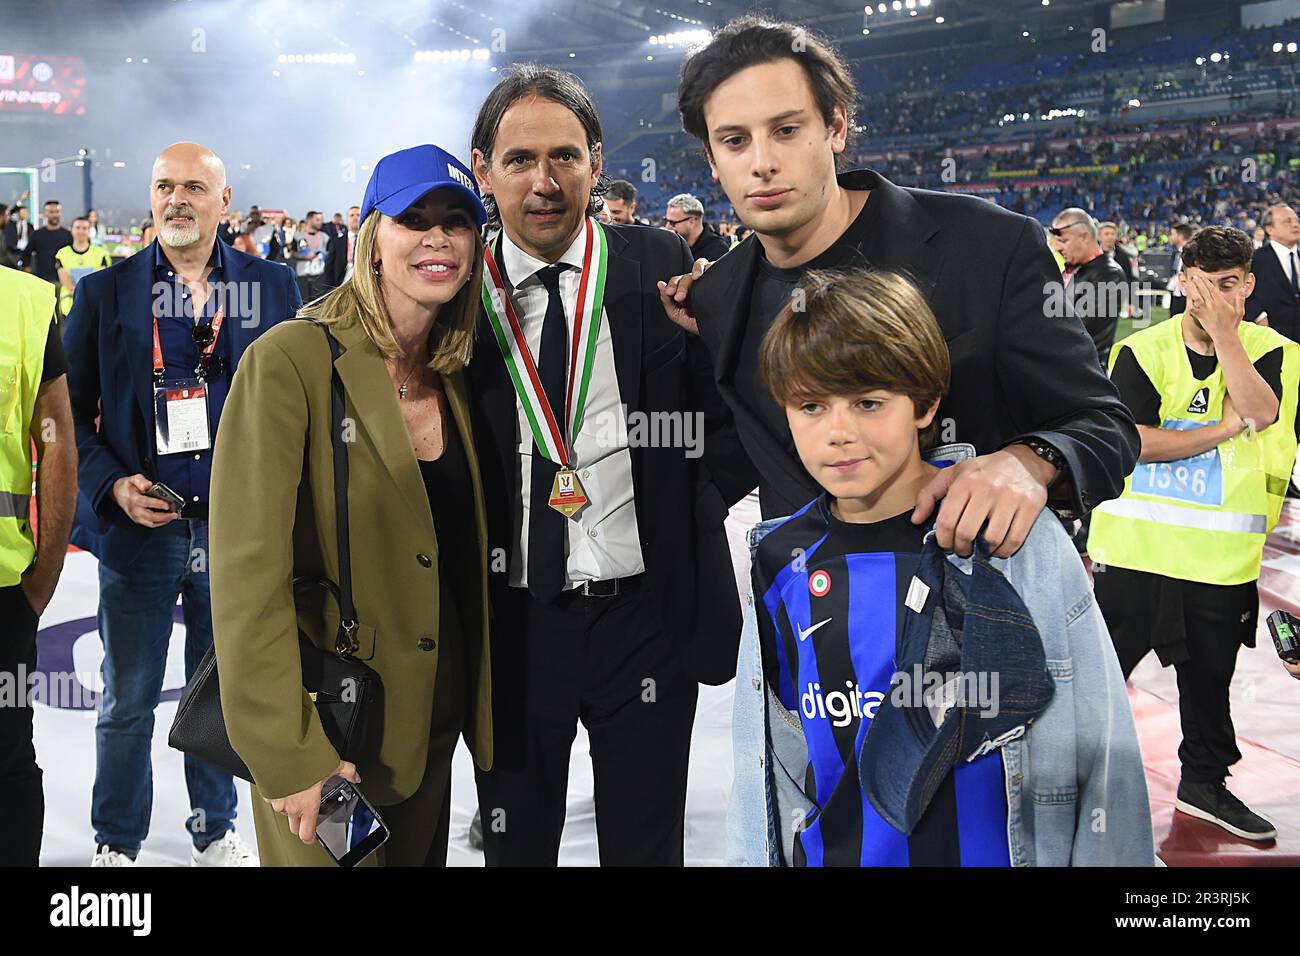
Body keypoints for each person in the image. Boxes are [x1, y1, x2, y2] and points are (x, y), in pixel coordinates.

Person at [662, 17, 1139, 559]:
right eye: (734, 140)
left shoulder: (987, 246)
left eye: (787, 130)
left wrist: (1029, 461)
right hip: (811, 622)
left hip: (972, 607)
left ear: (836, 127)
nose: (762, 162)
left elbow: (1106, 426)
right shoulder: (718, 294)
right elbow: (736, 454)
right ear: (712, 160)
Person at [729, 267, 1154, 866]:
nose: (839, 433)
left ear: (925, 405)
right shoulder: (777, 562)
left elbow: (1105, 753)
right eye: (812, 406)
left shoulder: (1013, 537)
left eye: (869, 402)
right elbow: (772, 768)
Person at [467, 64, 740, 866]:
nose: (544, 182)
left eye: (565, 157)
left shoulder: (656, 258)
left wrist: (700, 497)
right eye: (519, 160)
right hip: (511, 622)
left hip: (644, 620)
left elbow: (729, 407)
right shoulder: (457, 292)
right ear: (483, 170)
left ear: (596, 160)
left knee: (646, 848)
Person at [209, 144, 493, 867]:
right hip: (328, 741)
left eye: (457, 221)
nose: (437, 238)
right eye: (413, 218)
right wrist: (289, 752)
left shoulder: (457, 369)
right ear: (371, 237)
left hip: (427, 731)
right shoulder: (289, 361)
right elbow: (246, 578)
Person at [63, 142, 303, 867]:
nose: (177, 200)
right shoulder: (105, 292)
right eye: (165, 186)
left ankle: (214, 827)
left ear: (224, 203)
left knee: (226, 695)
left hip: (237, 536)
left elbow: (301, 408)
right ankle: (117, 840)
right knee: (127, 702)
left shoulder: (273, 285)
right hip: (142, 531)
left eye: (194, 187)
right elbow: (69, 417)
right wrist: (110, 486)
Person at [1088, 226, 1300, 842]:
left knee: (1209, 680)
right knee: (1096, 677)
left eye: (1227, 284)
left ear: (1248, 285)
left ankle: (1204, 784)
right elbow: (1135, 440)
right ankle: (1066, 780)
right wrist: (1216, 432)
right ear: (1182, 281)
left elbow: (1260, 413)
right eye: (1201, 283)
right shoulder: (1143, 350)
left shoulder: (1276, 351)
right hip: (1135, 553)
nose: (1211, 296)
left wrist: (1228, 330)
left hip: (1218, 559)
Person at [0, 264, 78, 867]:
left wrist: (43, 575)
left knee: (6, 761)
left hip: (3, 593)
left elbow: (55, 437)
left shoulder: (25, 302)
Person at [1050, 207, 1129, 369]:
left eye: (1064, 241)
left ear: (1084, 237)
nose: (1058, 248)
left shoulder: (1109, 274)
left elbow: (1075, 329)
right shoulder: (1073, 269)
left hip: (1085, 376)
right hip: (1065, 369)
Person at [1244, 204, 1300, 340]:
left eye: (1296, 220)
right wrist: (1259, 316)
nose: (1295, 225)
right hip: (1272, 341)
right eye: (1288, 221)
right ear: (1270, 229)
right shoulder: (1255, 260)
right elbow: (1241, 294)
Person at [54, 216, 112, 322]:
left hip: (93, 306)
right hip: (69, 307)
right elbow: (64, 280)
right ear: (72, 230)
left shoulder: (100, 253)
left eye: (84, 228)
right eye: (78, 227)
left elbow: (99, 279)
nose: (81, 231)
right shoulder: (62, 254)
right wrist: (80, 295)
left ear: (89, 231)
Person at [665, 193, 731, 262]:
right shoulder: (671, 245)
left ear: (691, 222)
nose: (667, 226)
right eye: (666, 220)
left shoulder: (717, 250)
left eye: (672, 223)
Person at [29, 200, 72, 287]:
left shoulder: (68, 235)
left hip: (63, 283)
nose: (54, 215)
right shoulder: (37, 234)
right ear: (45, 214)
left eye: (57, 212)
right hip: (41, 282)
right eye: (51, 212)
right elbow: (26, 255)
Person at [292, 210, 330, 302]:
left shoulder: (325, 236)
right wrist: (304, 257)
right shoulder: (298, 236)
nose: (321, 222)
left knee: (318, 303)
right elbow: (292, 253)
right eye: (317, 220)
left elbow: (330, 253)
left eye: (321, 219)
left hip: (319, 275)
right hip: (302, 275)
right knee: (302, 303)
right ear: (309, 221)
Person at [323, 205, 360, 289]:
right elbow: (329, 268)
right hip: (342, 285)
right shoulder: (336, 242)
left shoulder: (371, 241)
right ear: (347, 220)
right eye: (352, 215)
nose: (355, 218)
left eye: (358, 215)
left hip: (364, 285)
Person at [1167, 222, 1194, 319]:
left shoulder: (1193, 253)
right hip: (1176, 290)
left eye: (1172, 234)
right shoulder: (1176, 253)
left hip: (1187, 292)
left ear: (1180, 236)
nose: (1169, 237)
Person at [3, 203, 32, 270]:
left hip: (26, 253)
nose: (24, 214)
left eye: (26, 212)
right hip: (13, 252)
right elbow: (8, 214)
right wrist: (20, 202)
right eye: (22, 212)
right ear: (18, 213)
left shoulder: (31, 226)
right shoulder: (11, 224)